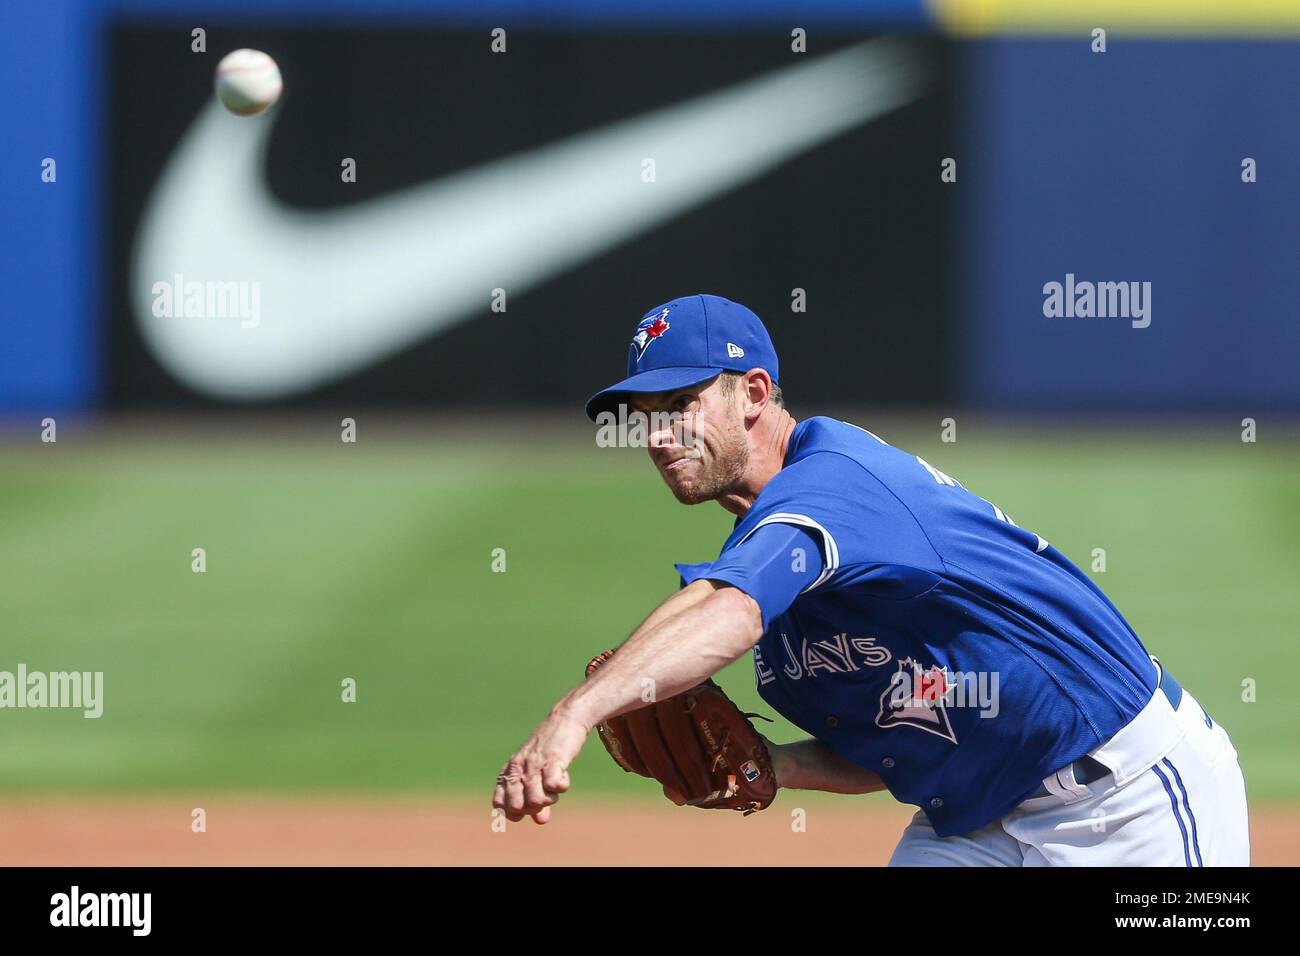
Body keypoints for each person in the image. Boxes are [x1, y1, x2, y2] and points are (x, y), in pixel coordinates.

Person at [492, 294, 1249, 866]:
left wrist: (577, 713)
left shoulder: (836, 483)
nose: (657, 434)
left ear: (754, 392)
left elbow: (730, 608)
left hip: (1130, 798)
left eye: (681, 404)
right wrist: (776, 767)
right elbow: (898, 735)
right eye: (644, 414)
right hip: (977, 822)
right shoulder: (775, 568)